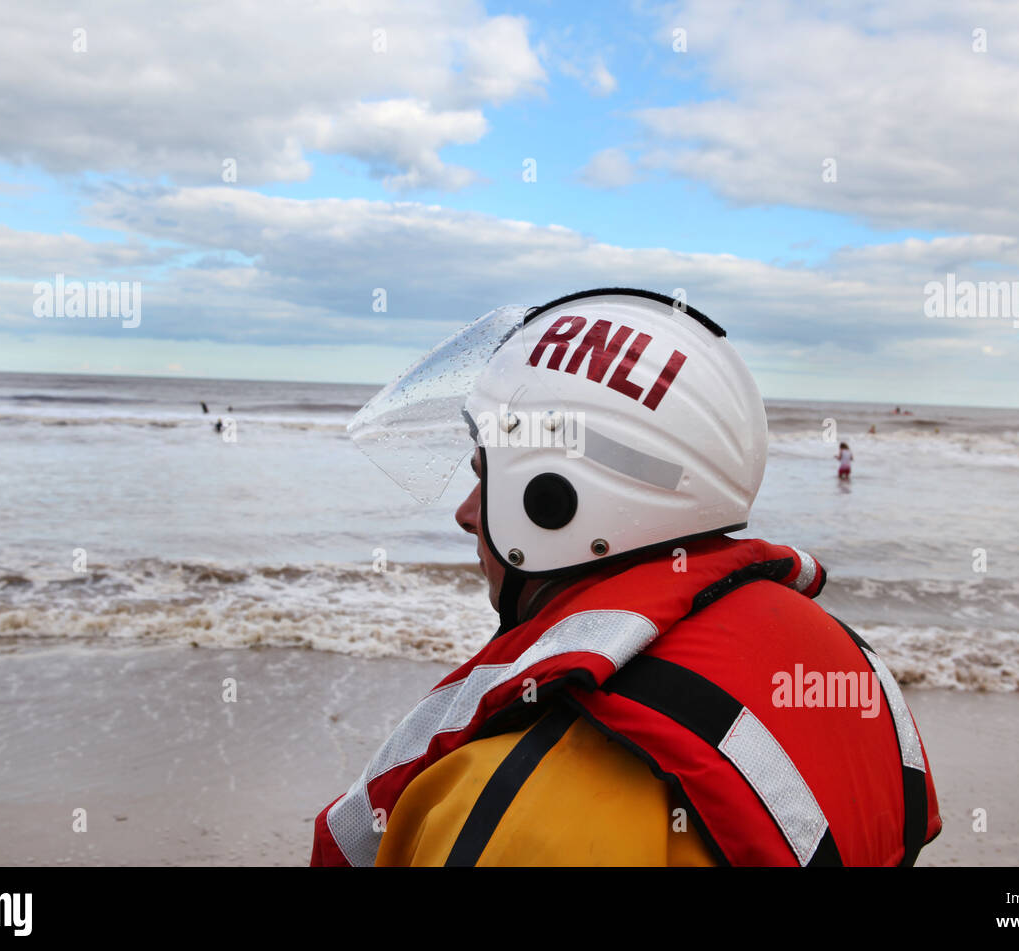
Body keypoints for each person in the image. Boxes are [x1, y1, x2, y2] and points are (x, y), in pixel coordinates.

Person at [311, 288, 941, 867]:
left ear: (556, 502)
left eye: (487, 475)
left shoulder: (507, 800)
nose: (465, 513)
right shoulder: (848, 665)